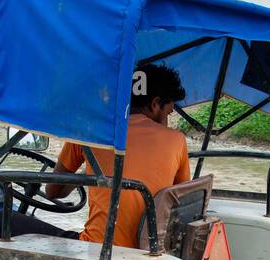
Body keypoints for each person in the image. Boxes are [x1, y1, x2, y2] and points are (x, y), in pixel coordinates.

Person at [44, 63, 191, 250]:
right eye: (168, 113)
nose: (167, 121)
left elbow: (53, 191)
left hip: (97, 248)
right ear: (155, 104)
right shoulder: (176, 140)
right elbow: (181, 202)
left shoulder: (89, 130)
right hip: (149, 251)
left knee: (8, 221)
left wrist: (90, 173)